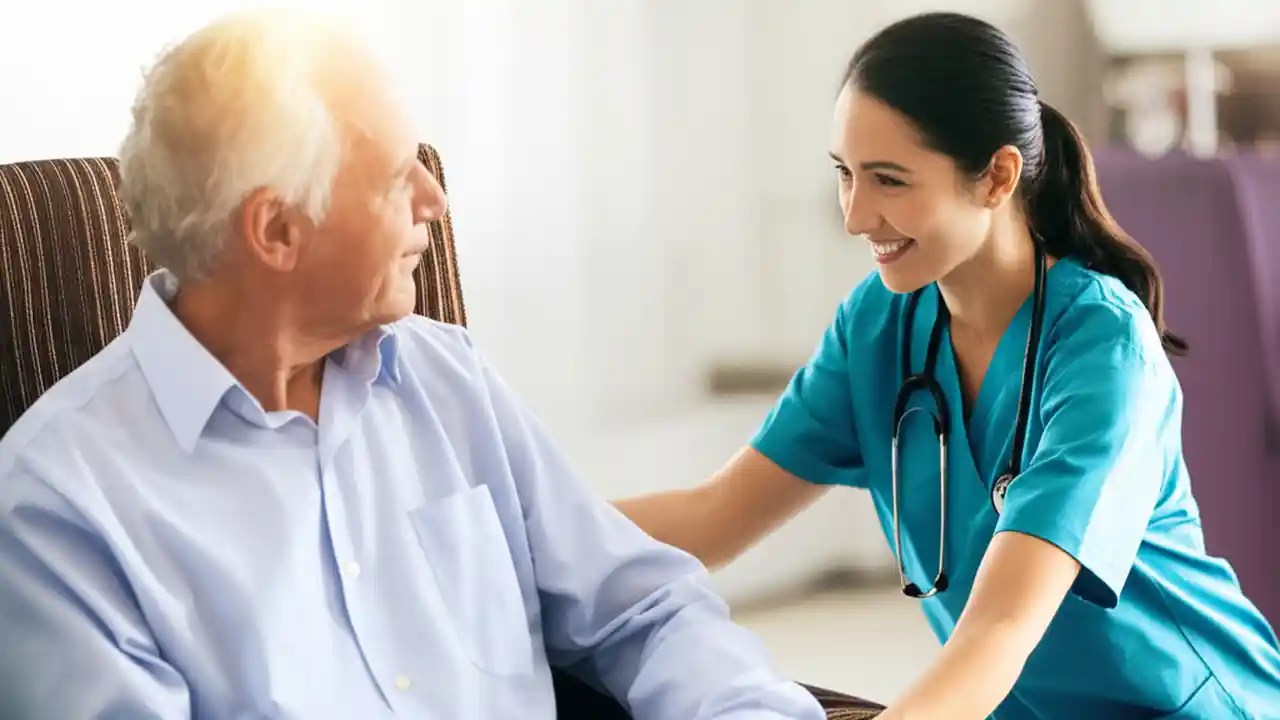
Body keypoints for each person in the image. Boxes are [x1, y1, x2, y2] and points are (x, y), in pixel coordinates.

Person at [0, 11, 829, 720]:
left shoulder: (444, 376)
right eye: (399, 178)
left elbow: (643, 607)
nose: (436, 201)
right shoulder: (57, 505)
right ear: (278, 230)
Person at [616, 12, 1280, 720]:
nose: (855, 216)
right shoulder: (878, 326)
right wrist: (537, 528)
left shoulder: (1102, 348)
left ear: (997, 177)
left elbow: (1002, 625)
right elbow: (713, 516)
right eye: (845, 174)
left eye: (889, 180)